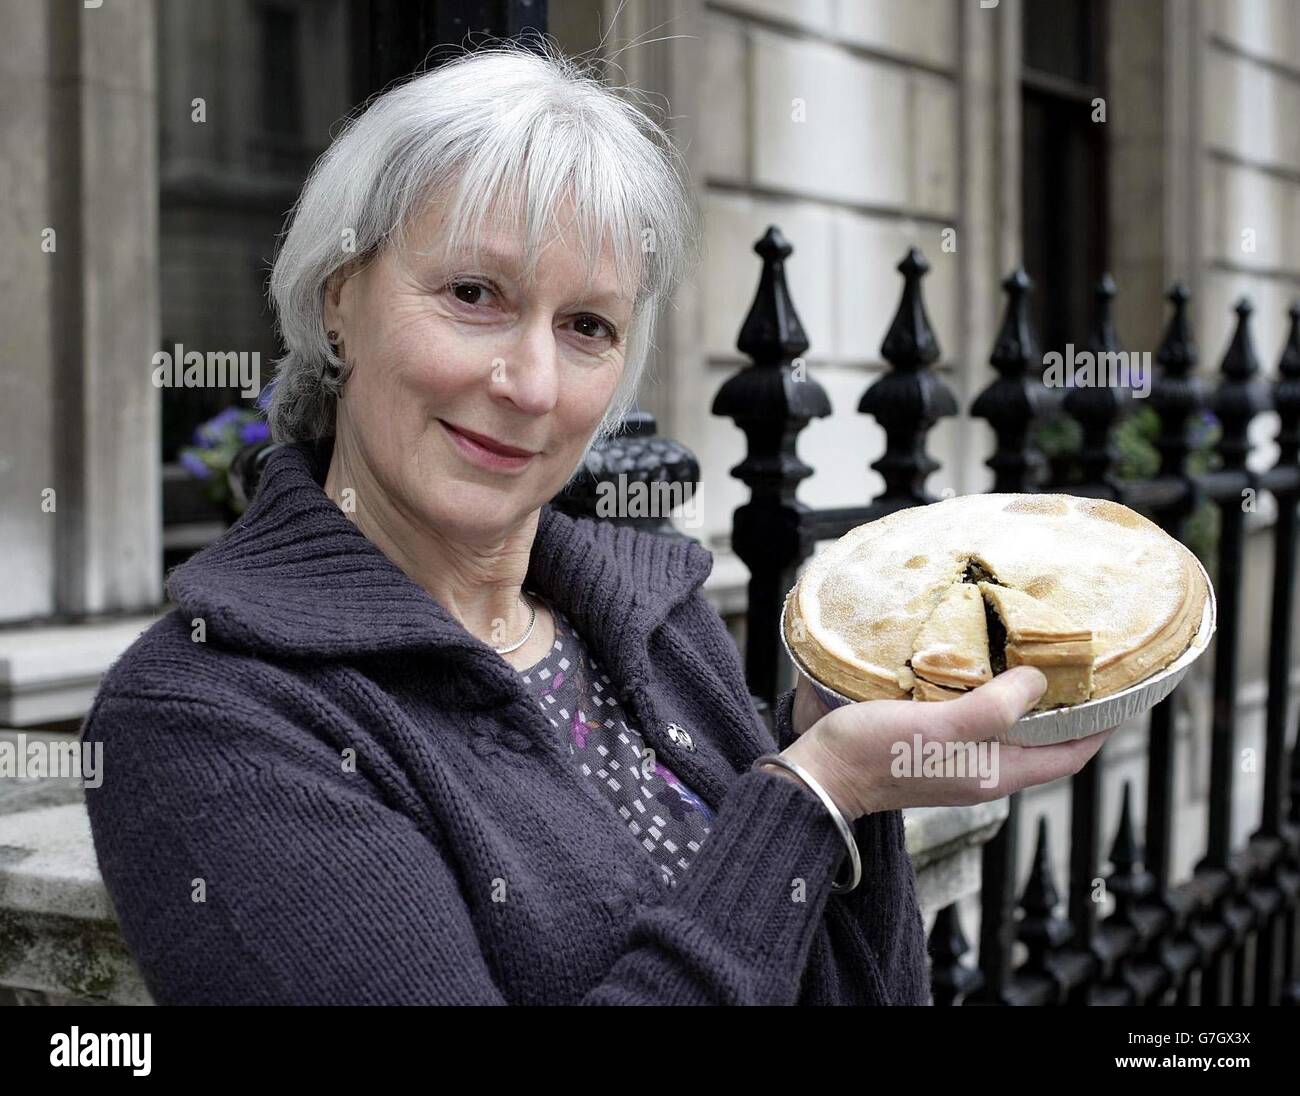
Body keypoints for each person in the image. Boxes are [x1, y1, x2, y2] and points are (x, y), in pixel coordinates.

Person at [81, 41, 1112, 1005]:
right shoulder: (209, 714)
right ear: (340, 297)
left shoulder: (654, 618)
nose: (531, 382)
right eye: (474, 293)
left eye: (587, 326)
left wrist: (844, 772)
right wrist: (814, 791)